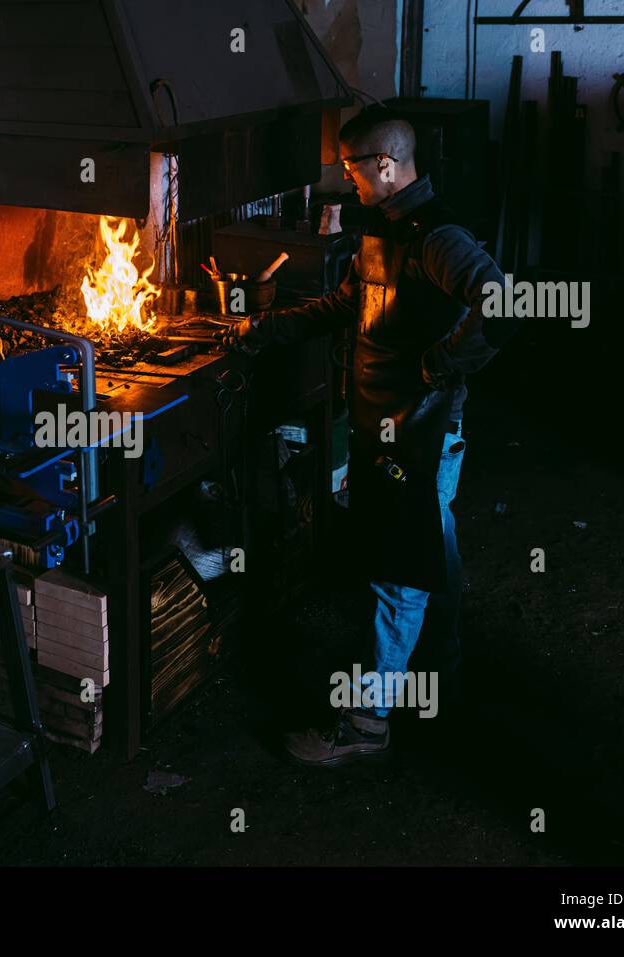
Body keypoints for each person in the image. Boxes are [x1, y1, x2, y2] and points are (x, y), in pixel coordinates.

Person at [222, 107, 516, 766]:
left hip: (417, 432)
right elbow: (347, 304)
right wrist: (266, 329)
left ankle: (366, 721)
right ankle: (438, 670)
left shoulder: (438, 237)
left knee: (398, 572)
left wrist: (440, 363)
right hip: (385, 429)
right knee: (427, 549)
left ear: (385, 165)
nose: (348, 179)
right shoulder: (381, 230)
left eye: (353, 167)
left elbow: (504, 304)